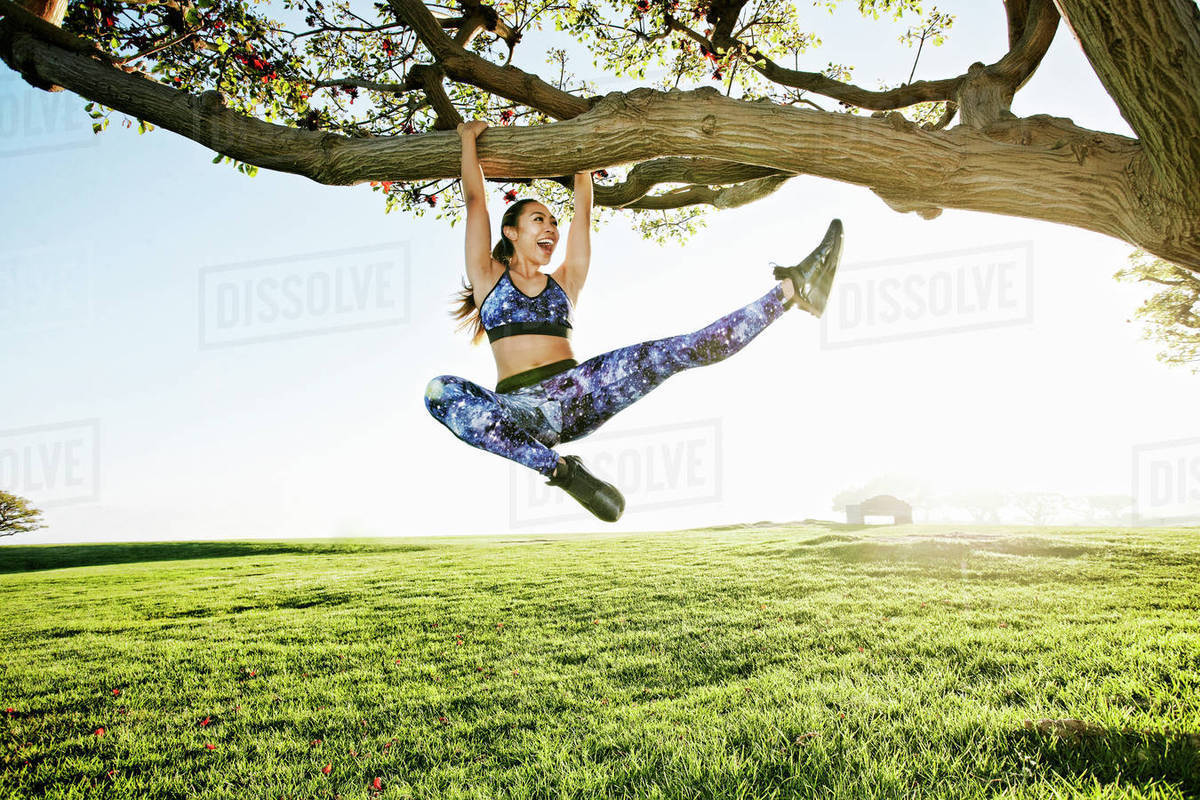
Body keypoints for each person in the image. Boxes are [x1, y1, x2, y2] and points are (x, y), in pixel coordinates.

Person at [424, 119, 843, 523]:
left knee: (679, 350)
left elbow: (583, 210)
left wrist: (581, 155)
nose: (551, 227)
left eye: (553, 221)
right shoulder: (488, 278)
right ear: (511, 232)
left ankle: (792, 291)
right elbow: (476, 202)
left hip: (581, 391)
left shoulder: (566, 280)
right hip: (519, 411)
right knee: (441, 392)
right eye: (539, 220)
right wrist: (468, 140)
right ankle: (562, 472)